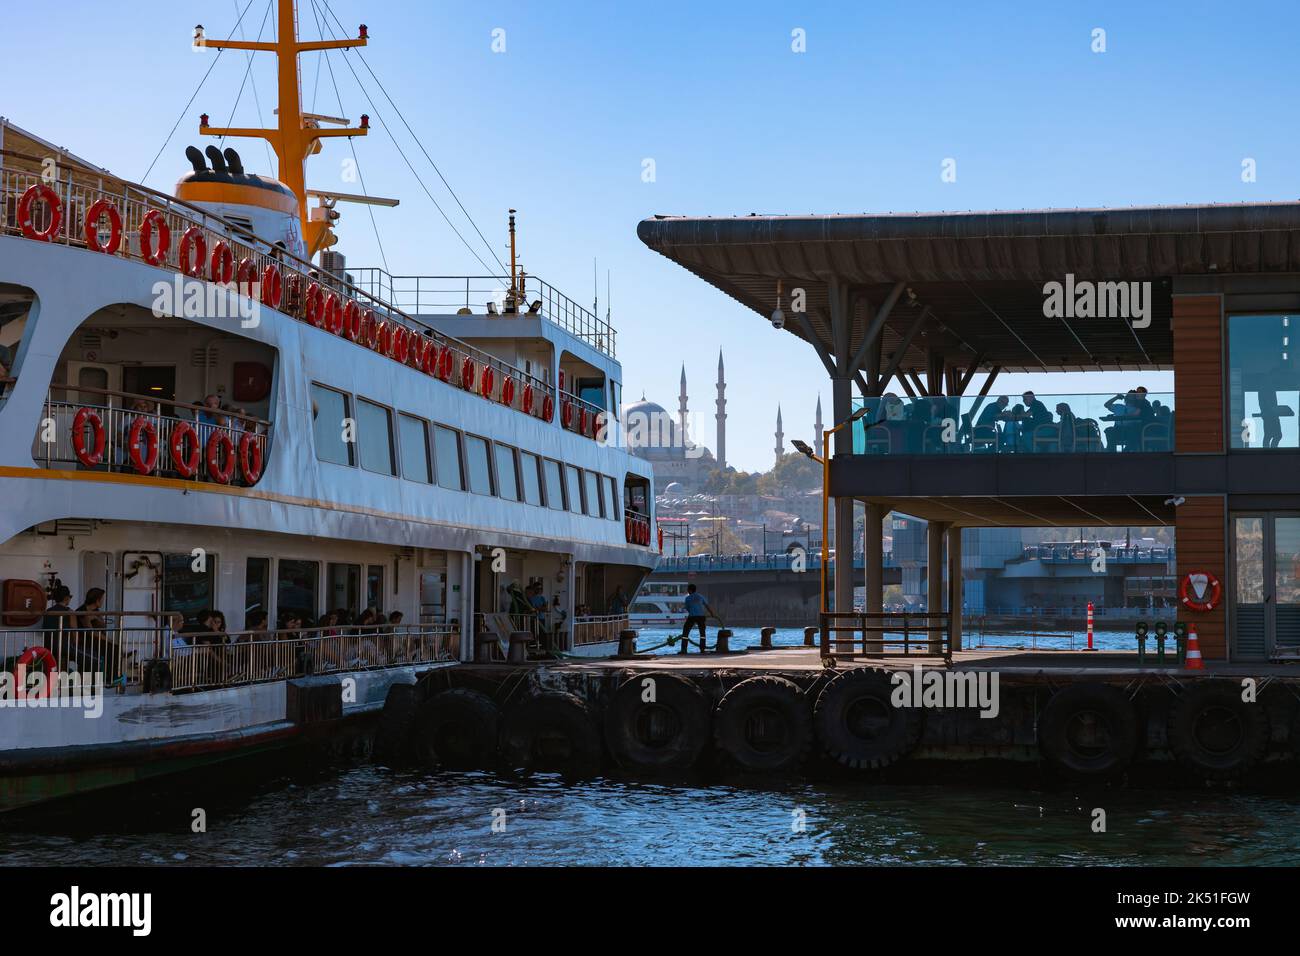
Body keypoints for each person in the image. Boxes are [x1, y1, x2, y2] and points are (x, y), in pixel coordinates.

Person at [678, 583, 717, 654]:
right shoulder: (701, 596)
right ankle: (702, 650)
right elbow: (707, 606)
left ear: (689, 590)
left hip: (692, 616)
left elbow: (687, 608)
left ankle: (684, 650)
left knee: (685, 633)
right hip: (701, 616)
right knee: (702, 634)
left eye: (688, 590)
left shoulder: (688, 598)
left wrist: (692, 612)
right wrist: (712, 614)